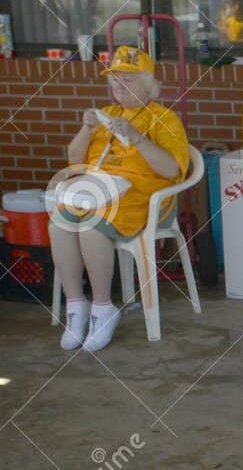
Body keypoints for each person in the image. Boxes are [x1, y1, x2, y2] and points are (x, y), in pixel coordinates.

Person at [49, 45, 190, 352]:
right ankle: (76, 307)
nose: (119, 86)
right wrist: (86, 130)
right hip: (99, 190)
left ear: (149, 84)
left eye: (128, 80)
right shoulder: (107, 115)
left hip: (142, 198)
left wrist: (138, 138)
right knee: (59, 222)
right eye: (115, 80)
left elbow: (171, 169)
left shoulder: (163, 118)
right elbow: (73, 160)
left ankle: (103, 308)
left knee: (90, 226)